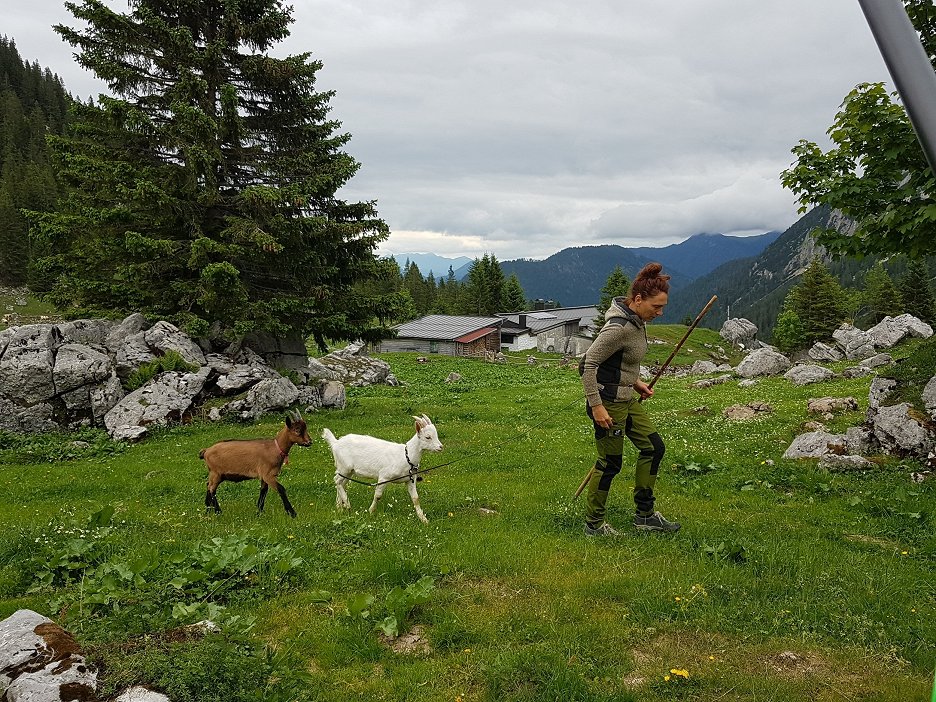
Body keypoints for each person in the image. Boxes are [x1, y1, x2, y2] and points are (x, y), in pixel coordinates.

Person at [580, 262, 680, 536]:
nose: (659, 313)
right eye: (656, 307)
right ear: (638, 300)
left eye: (662, 307)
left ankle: (645, 516)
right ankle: (594, 525)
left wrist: (636, 383)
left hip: (626, 397)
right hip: (608, 403)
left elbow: (620, 362)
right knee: (609, 464)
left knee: (653, 447)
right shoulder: (619, 328)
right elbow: (587, 365)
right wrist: (597, 406)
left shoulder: (638, 321)